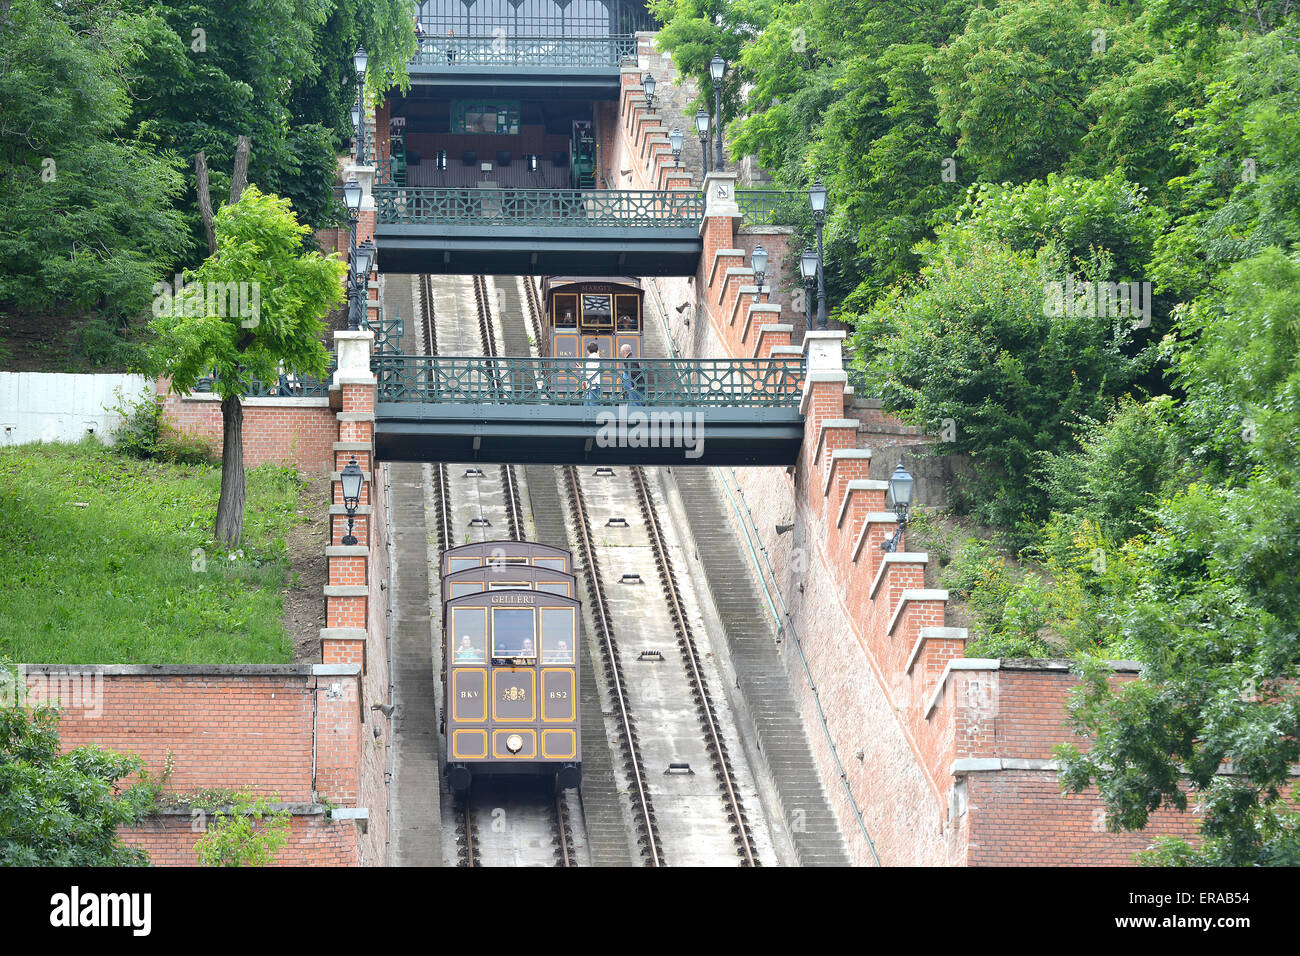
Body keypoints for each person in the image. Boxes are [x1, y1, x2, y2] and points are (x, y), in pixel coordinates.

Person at [584, 341, 603, 405]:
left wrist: (581, 369)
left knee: (591, 404)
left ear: (588, 350)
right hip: (595, 384)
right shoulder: (598, 358)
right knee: (591, 403)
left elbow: (590, 371)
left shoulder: (591, 358)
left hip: (592, 384)